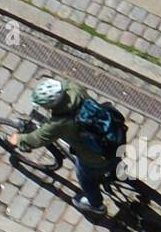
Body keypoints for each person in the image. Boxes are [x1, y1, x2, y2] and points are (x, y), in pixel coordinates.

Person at [10, 78, 119, 216]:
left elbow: (35, 139)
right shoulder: (75, 88)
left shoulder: (59, 124)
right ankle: (116, 170)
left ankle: (96, 205)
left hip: (98, 159)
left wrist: (19, 140)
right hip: (114, 135)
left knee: (84, 177)